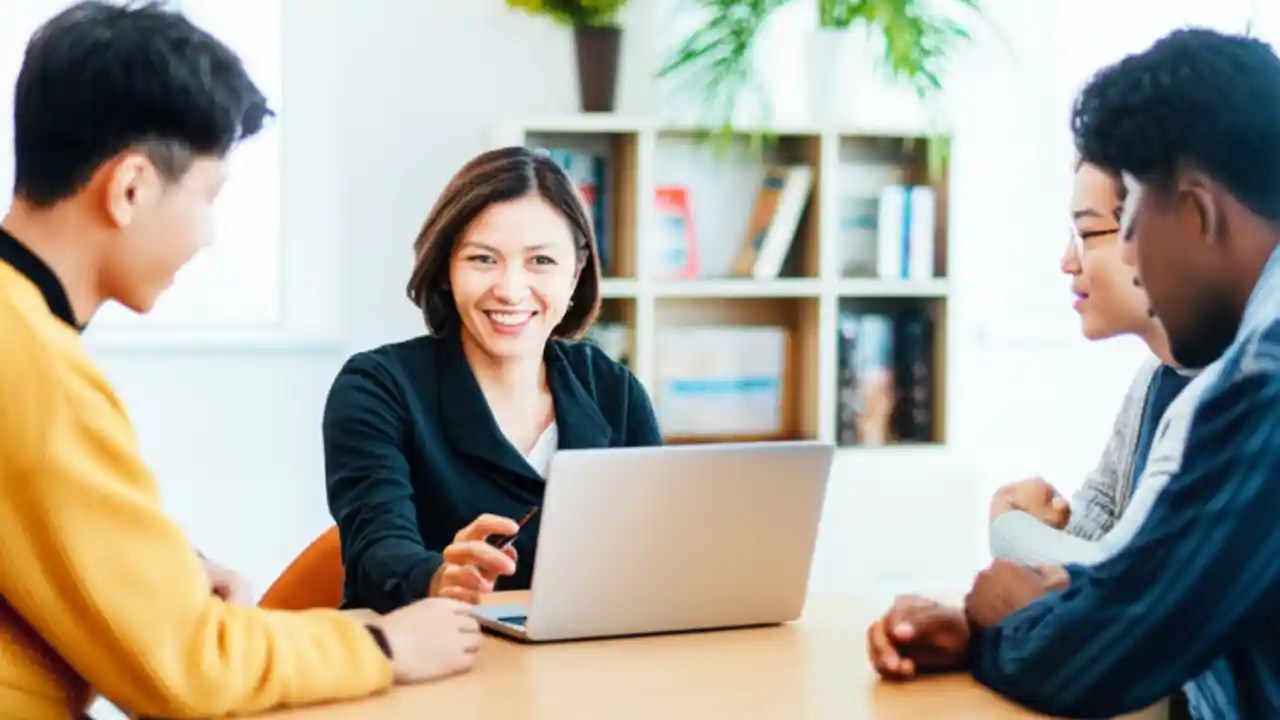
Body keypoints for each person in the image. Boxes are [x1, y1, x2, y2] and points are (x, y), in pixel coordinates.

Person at [0, 3, 482, 717]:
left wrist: (170, 573)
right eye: (208, 196)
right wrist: (387, 647)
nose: (209, 236)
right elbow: (188, 673)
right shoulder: (35, 368)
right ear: (130, 188)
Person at [867, 27, 1280, 719]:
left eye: (1130, 227)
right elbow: (1142, 586)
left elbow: (1111, 655)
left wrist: (1002, 622)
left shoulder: (1262, 381)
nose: (1132, 260)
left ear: (1198, 215)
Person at [324, 146, 663, 613]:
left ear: (576, 272)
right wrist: (440, 576)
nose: (510, 289)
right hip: (427, 659)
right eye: (483, 259)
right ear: (446, 269)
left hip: (585, 664)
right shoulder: (378, 388)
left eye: (541, 261)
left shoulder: (614, 391)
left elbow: (655, 556)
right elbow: (375, 554)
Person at [988, 159, 1197, 567]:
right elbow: (1102, 519)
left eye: (1087, 233)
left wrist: (1011, 530)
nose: (1068, 261)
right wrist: (1045, 525)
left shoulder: (1239, 395)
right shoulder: (1156, 377)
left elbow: (1125, 577)